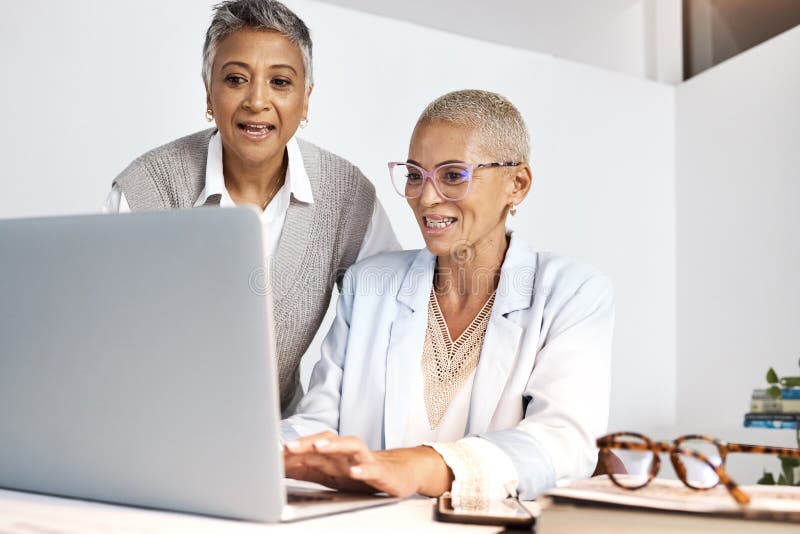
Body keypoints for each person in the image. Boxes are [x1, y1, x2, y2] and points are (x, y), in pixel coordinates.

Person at [281, 90, 614, 503]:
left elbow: (563, 442)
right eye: (415, 175)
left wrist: (420, 466)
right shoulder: (369, 285)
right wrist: (270, 451)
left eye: (453, 175)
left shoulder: (572, 293)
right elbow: (318, 421)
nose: (426, 197)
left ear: (518, 183)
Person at [102, 0, 399, 413]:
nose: (257, 101)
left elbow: (389, 321)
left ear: (306, 99)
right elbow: (108, 336)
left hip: (281, 438)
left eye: (280, 82)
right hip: (153, 424)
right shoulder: (147, 189)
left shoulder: (346, 195)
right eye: (236, 79)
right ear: (209, 91)